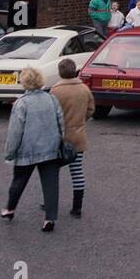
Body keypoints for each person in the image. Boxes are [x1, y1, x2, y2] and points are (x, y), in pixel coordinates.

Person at [1, 67, 66, 232]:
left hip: (27, 151)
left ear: (24, 82)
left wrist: (10, 153)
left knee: (19, 181)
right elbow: (61, 124)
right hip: (50, 148)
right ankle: (49, 219)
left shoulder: (21, 103)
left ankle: (10, 209)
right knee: (51, 184)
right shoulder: (52, 99)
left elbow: (15, 132)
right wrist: (60, 141)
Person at [49, 58, 93, 217]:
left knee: (52, 171)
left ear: (60, 72)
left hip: (58, 139)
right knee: (77, 171)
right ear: (75, 71)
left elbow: (50, 114)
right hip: (78, 137)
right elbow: (90, 110)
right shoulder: (84, 89)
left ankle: (48, 201)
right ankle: (77, 208)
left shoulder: (55, 91)